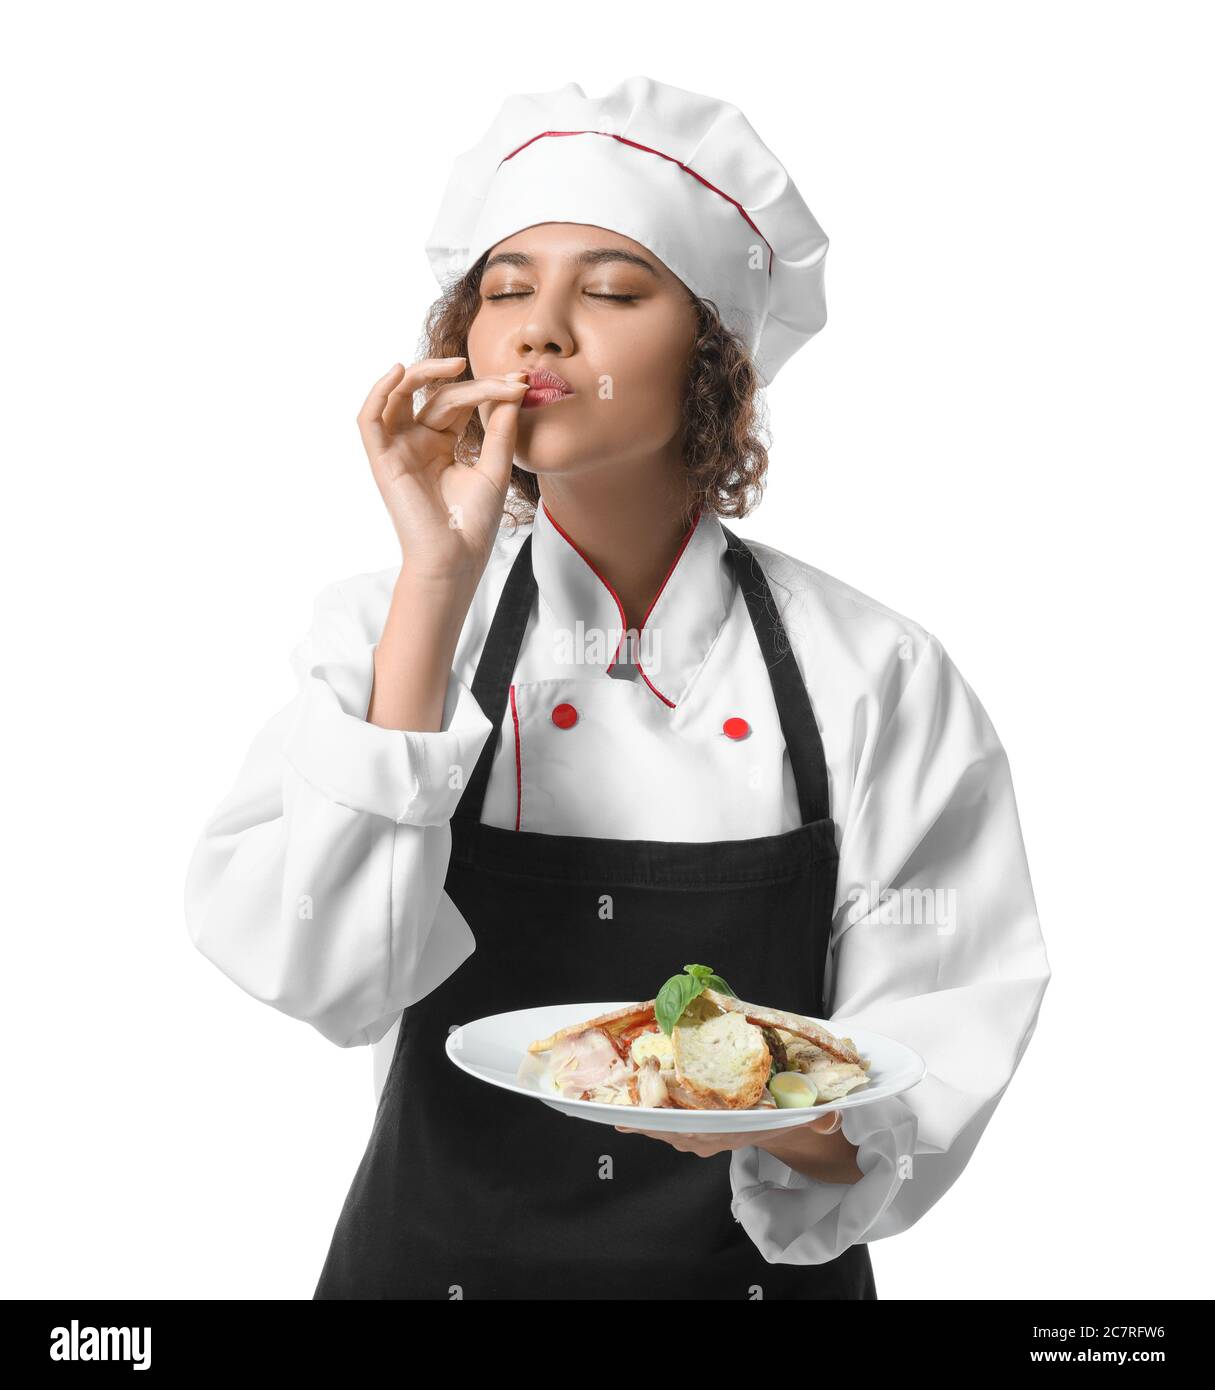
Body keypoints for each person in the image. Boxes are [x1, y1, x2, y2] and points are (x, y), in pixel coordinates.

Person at [183, 75, 1051, 1300]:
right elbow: (329, 976)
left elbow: (927, 1053)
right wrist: (436, 583)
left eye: (609, 289)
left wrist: (751, 1113)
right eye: (502, 290)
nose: (540, 328)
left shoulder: (875, 673)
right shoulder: (380, 632)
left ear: (717, 354)